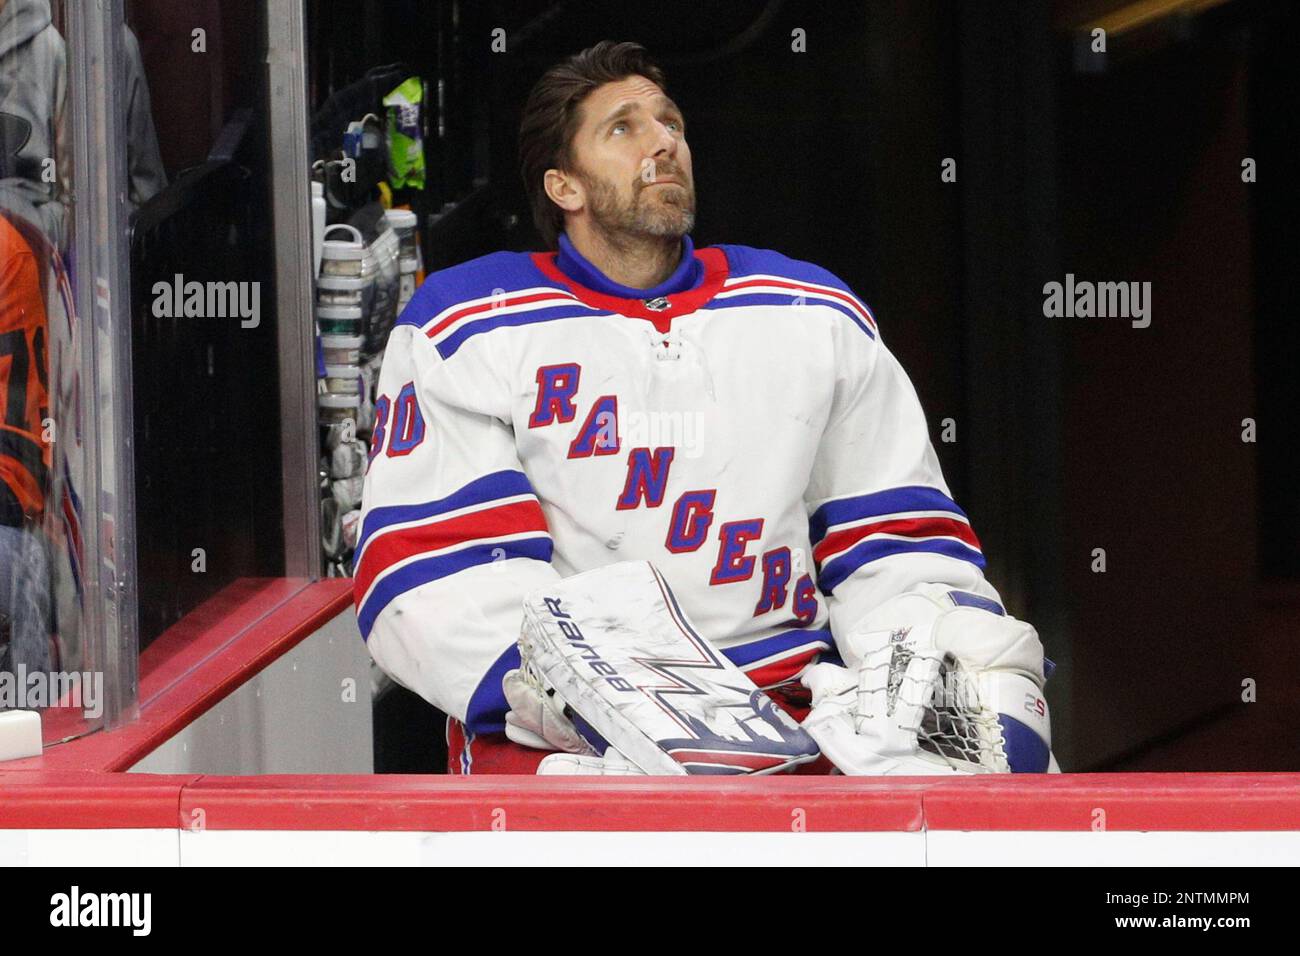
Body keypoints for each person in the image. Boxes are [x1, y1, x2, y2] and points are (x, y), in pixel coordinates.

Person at [355, 41, 1054, 775]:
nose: (663, 142)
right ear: (565, 187)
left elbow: (893, 542)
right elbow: (441, 573)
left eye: (671, 123)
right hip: (574, 738)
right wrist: (630, 706)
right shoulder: (469, 323)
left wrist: (941, 661)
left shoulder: (808, 310)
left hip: (800, 714)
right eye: (623, 128)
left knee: (989, 751)